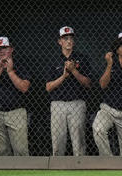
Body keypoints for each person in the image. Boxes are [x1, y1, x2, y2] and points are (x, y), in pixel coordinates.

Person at [45, 26, 91, 156]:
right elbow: (48, 87)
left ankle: (81, 168)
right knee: (58, 142)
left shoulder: (82, 58)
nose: (69, 41)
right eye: (65, 39)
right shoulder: (53, 59)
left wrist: (74, 71)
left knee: (79, 143)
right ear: (60, 41)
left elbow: (88, 84)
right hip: (58, 104)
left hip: (77, 103)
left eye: (71, 38)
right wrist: (63, 77)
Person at [0, 36, 31, 156]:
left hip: (16, 112)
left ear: (11, 49)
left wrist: (10, 71)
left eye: (4, 47)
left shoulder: (21, 64)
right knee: (2, 152)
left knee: (21, 152)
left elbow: (24, 87)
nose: (1, 51)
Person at [93, 32, 122, 156]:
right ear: (117, 48)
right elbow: (102, 85)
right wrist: (109, 65)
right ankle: (108, 161)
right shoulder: (110, 62)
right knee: (98, 129)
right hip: (108, 109)